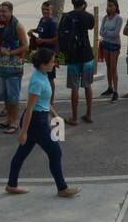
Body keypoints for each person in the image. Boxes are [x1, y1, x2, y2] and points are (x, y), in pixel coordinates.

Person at [4, 47, 80, 198]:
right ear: (43, 64)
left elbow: (44, 101)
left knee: (21, 153)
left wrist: (55, 115)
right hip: (36, 122)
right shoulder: (37, 81)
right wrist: (24, 132)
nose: (54, 64)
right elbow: (30, 107)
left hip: (39, 118)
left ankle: (12, 185)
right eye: (52, 62)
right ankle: (62, 188)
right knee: (55, 152)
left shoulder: (43, 75)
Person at [58, 0, 96, 125]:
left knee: (74, 88)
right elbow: (92, 25)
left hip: (73, 57)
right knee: (87, 86)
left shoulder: (67, 17)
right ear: (84, 2)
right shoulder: (87, 17)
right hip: (87, 55)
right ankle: (89, 114)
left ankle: (74, 118)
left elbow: (61, 35)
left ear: (72, 2)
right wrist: (84, 10)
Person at [0, 1, 27, 133]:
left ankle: (14, 122)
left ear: (11, 12)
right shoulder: (0, 26)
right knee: (5, 95)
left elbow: (25, 45)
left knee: (13, 96)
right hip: (2, 66)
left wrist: (10, 52)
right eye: (0, 11)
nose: (1, 14)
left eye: (4, 11)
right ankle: (8, 119)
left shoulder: (17, 26)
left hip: (14, 67)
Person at [29, 1, 59, 104]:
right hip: (41, 53)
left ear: (52, 11)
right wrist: (32, 31)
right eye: (43, 9)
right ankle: (43, 96)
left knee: (50, 77)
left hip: (50, 54)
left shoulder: (52, 23)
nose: (45, 11)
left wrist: (43, 41)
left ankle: (51, 100)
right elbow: (40, 30)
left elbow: (56, 39)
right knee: (42, 74)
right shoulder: (42, 20)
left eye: (47, 9)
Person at [99, 0, 124, 101]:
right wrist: (107, 32)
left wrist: (106, 32)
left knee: (113, 68)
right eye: (108, 5)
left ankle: (116, 91)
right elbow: (101, 32)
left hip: (114, 45)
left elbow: (115, 33)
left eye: (111, 6)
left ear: (116, 7)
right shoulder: (105, 18)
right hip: (105, 44)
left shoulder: (118, 18)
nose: (109, 8)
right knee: (108, 66)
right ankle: (110, 87)